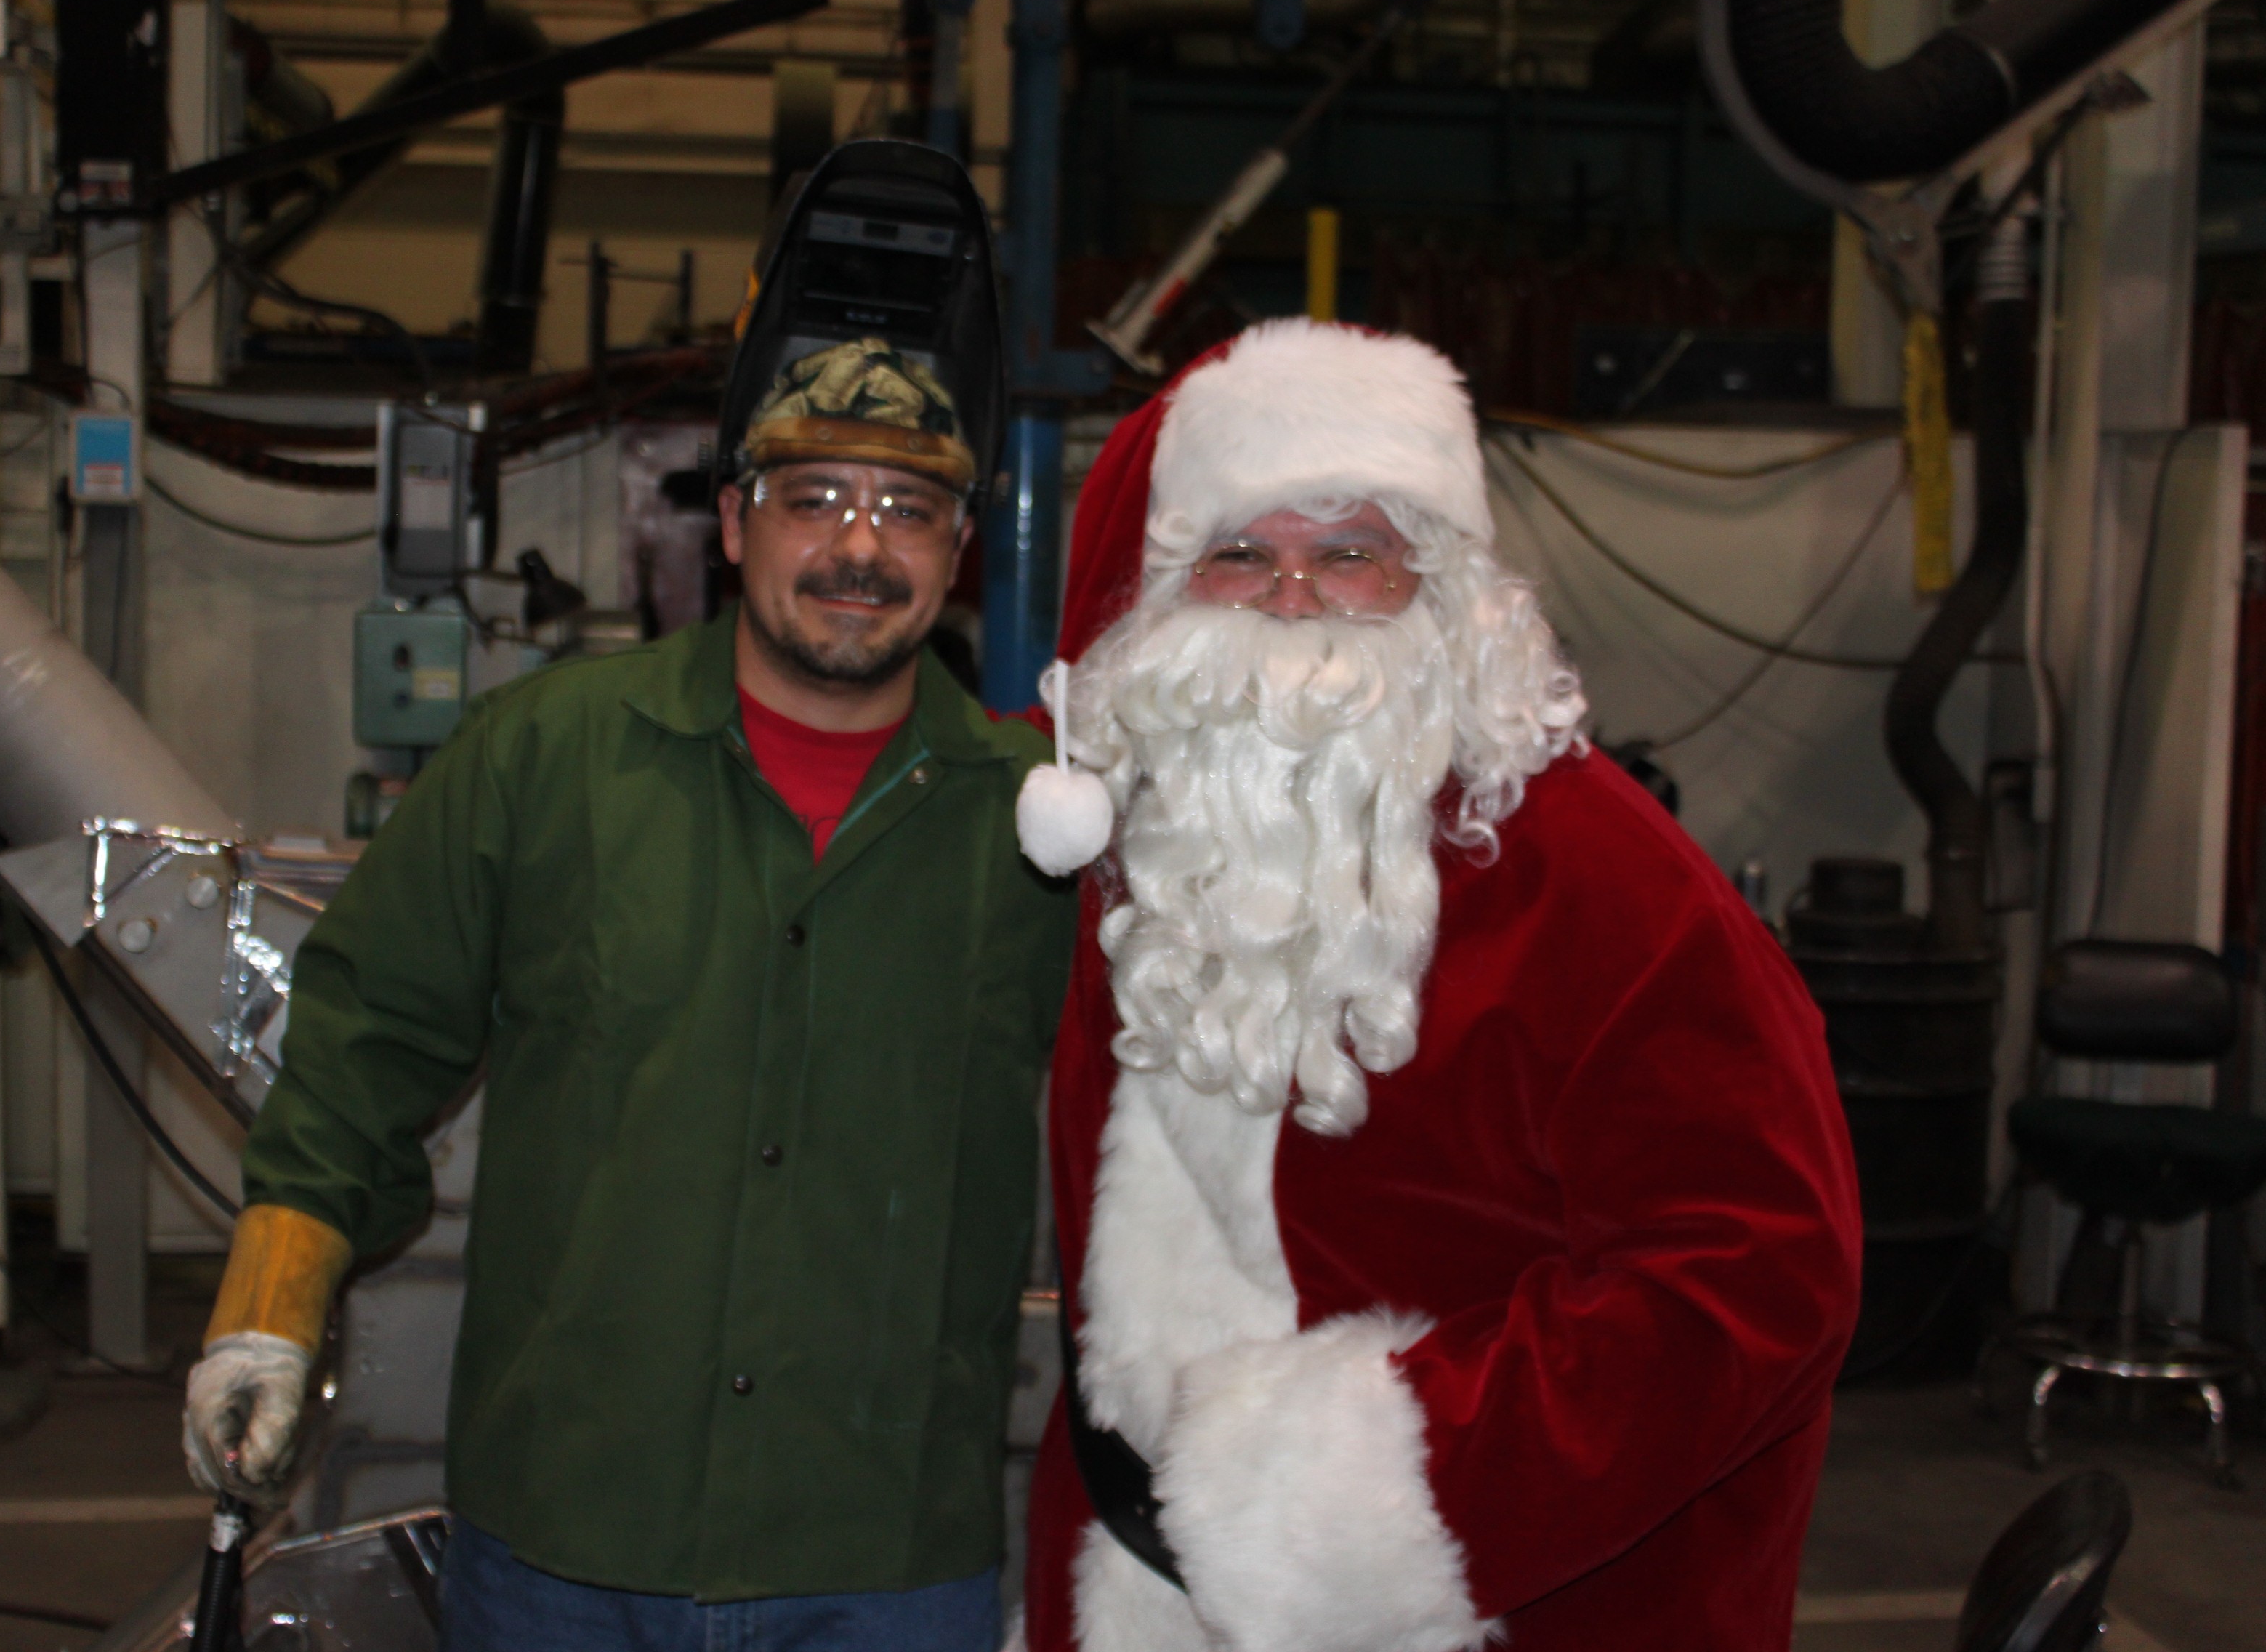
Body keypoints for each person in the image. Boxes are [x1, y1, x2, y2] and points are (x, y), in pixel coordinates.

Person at [180, 198, 1077, 1643]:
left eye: (908, 509)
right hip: (565, 1547)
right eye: (816, 498)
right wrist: (268, 1307)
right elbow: (364, 1042)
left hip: (881, 1556)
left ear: (959, 547)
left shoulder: (1036, 827)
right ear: (732, 522)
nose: (862, 546)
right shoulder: (546, 761)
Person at [1009, 318, 1860, 1652]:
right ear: (1167, 600)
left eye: (1352, 554)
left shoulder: (1606, 885)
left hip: (1472, 1598)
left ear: (1444, 587)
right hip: (1126, 1582)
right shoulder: (1124, 833)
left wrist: (1355, 1497)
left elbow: (1756, 1273)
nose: (1293, 598)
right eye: (1241, 555)